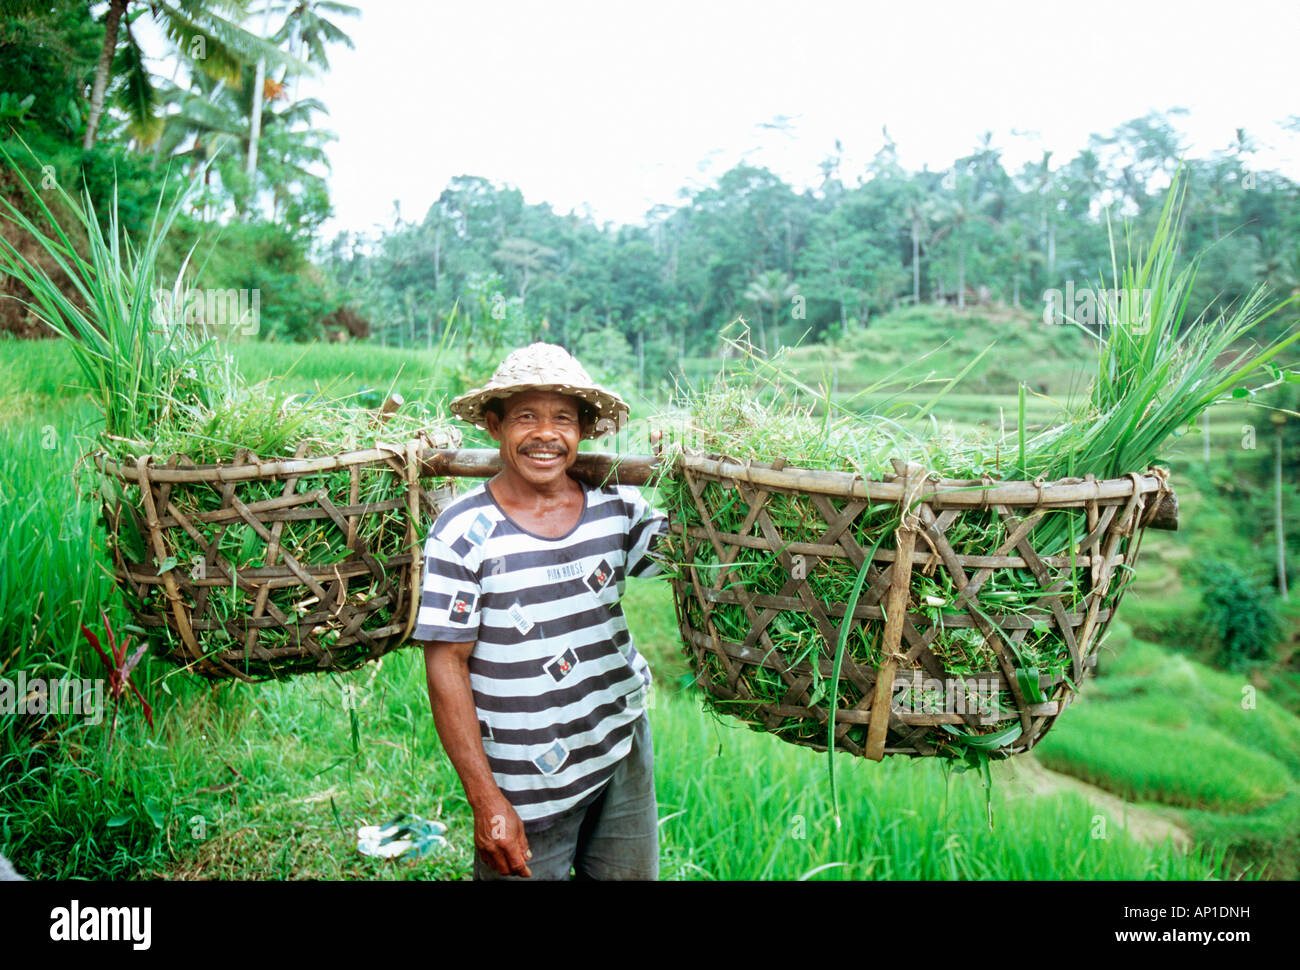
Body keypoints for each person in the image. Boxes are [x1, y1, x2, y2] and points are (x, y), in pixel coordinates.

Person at [413, 342, 668, 880]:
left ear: (582, 431)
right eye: (526, 416)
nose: (546, 434)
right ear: (494, 425)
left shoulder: (616, 506)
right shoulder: (462, 532)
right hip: (522, 781)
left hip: (618, 744)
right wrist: (487, 802)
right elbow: (446, 665)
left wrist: (689, 468)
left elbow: (696, 554)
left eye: (563, 419)